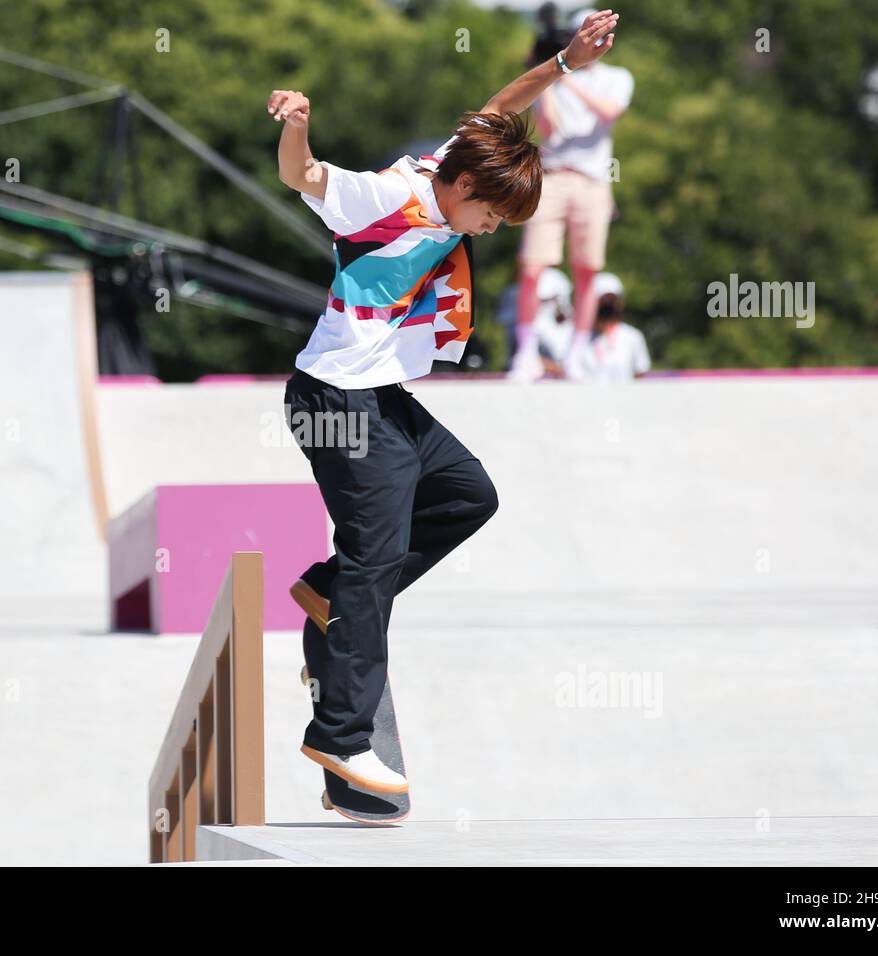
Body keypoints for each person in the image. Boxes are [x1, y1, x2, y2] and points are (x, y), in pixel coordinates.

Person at [267, 8, 621, 795]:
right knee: (378, 556)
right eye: (488, 216)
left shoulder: (455, 159)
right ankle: (340, 738)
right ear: (461, 187)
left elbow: (506, 105)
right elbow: (305, 176)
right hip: (335, 401)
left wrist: (565, 59)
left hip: (377, 397)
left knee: (468, 493)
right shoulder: (387, 196)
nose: (487, 231)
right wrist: (297, 125)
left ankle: (331, 591)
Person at [510, 5, 634, 383]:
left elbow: (608, 113)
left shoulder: (617, 77)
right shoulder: (553, 75)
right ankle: (526, 353)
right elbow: (549, 126)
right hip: (551, 176)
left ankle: (576, 354)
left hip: (593, 180)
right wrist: (551, 73)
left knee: (586, 270)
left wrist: (568, 72)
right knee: (532, 267)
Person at [577, 272, 650, 382]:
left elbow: (640, 374)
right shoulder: (578, 337)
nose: (607, 306)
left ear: (620, 302)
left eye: (611, 301)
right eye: (603, 301)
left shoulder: (633, 336)